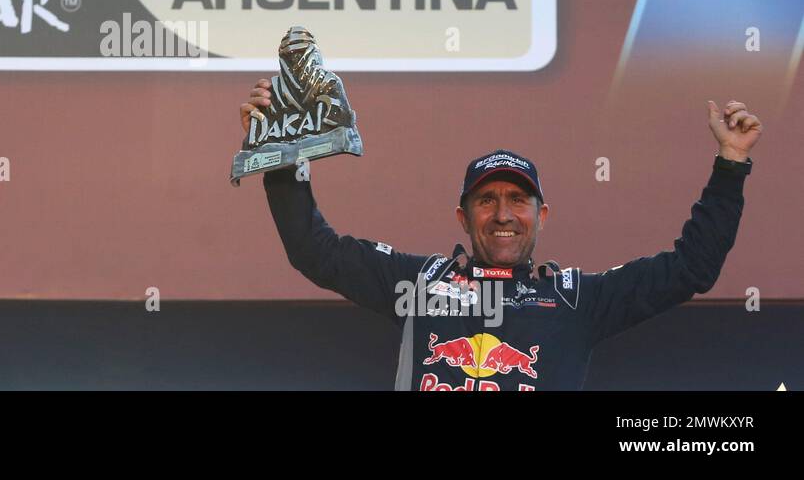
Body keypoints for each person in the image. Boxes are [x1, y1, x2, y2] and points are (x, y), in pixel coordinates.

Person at [240, 78, 759, 390]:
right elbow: (316, 251)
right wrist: (284, 160)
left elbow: (692, 267)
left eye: (518, 200)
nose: (503, 214)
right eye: (486, 200)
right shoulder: (419, 283)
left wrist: (730, 165)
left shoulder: (578, 298)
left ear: (543, 215)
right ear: (463, 218)